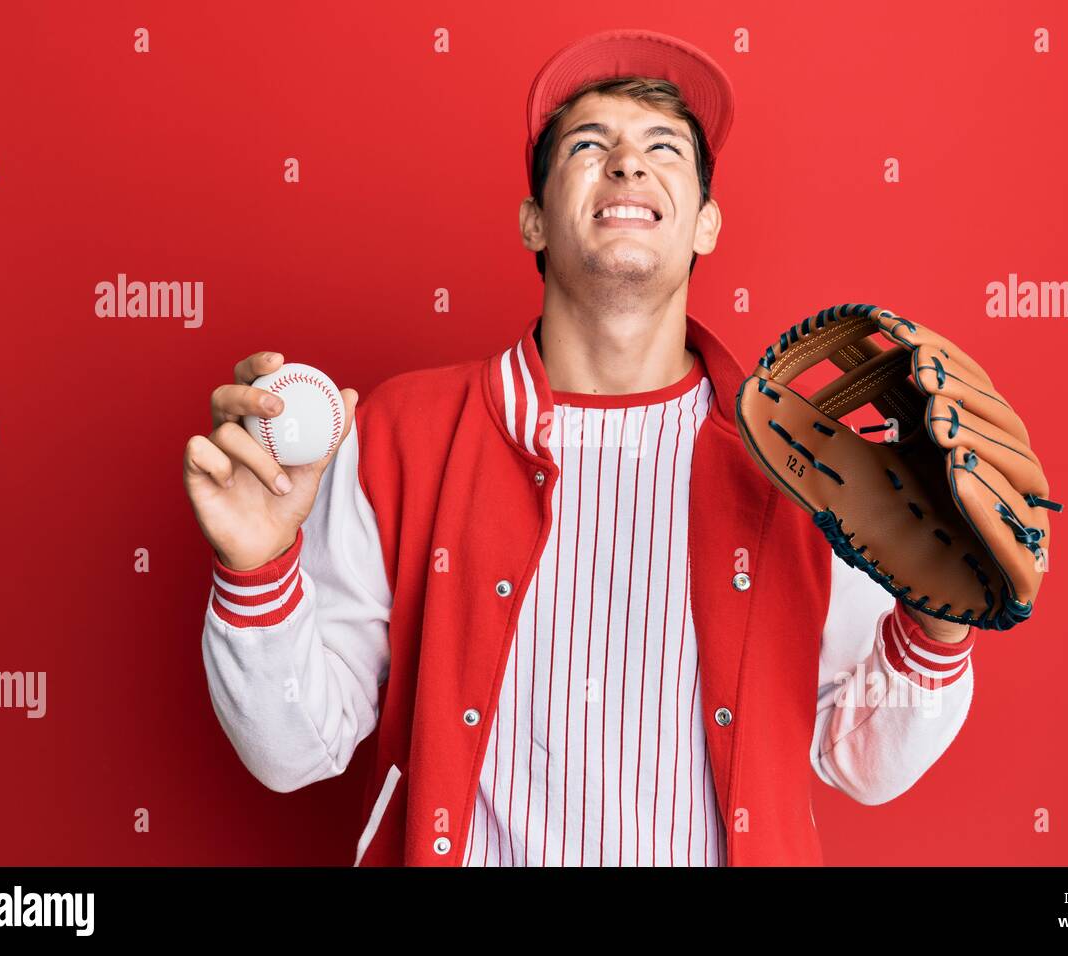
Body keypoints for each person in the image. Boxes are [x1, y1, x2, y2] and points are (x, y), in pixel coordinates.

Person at [182, 28, 977, 867]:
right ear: (533, 221)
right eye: (590, 145)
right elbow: (292, 752)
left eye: (663, 147)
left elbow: (862, 762)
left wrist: (934, 619)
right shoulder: (400, 432)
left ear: (706, 223)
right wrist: (259, 569)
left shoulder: (802, 461)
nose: (628, 164)